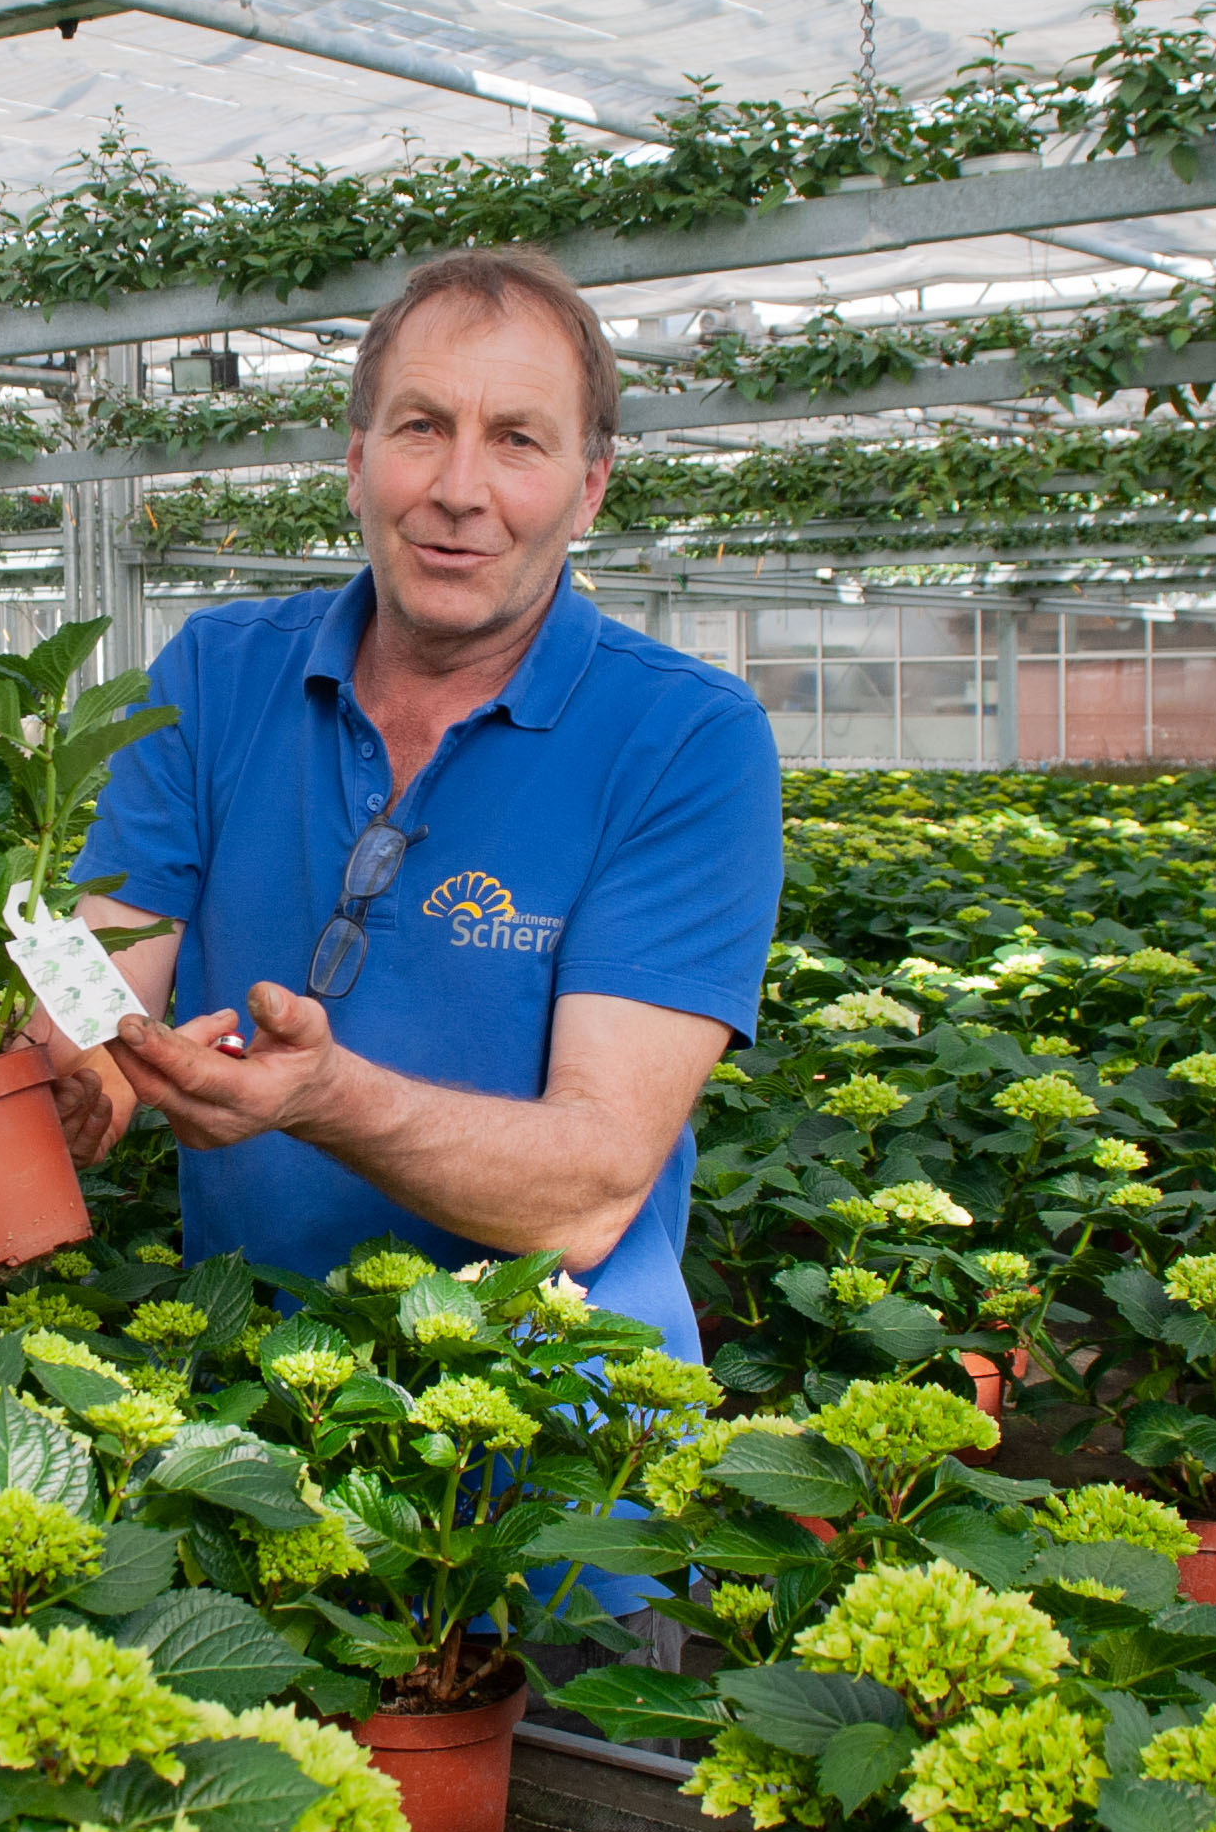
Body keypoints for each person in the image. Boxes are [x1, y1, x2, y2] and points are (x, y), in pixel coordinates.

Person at [39, 243, 781, 1357]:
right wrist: (79, 1058)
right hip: (244, 1385)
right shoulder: (211, 674)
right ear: (354, 460)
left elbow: (585, 1191)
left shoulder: (685, 740)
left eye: (516, 440)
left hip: (554, 1427)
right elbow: (98, 974)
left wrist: (321, 1096)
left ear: (588, 488)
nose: (457, 489)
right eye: (419, 427)